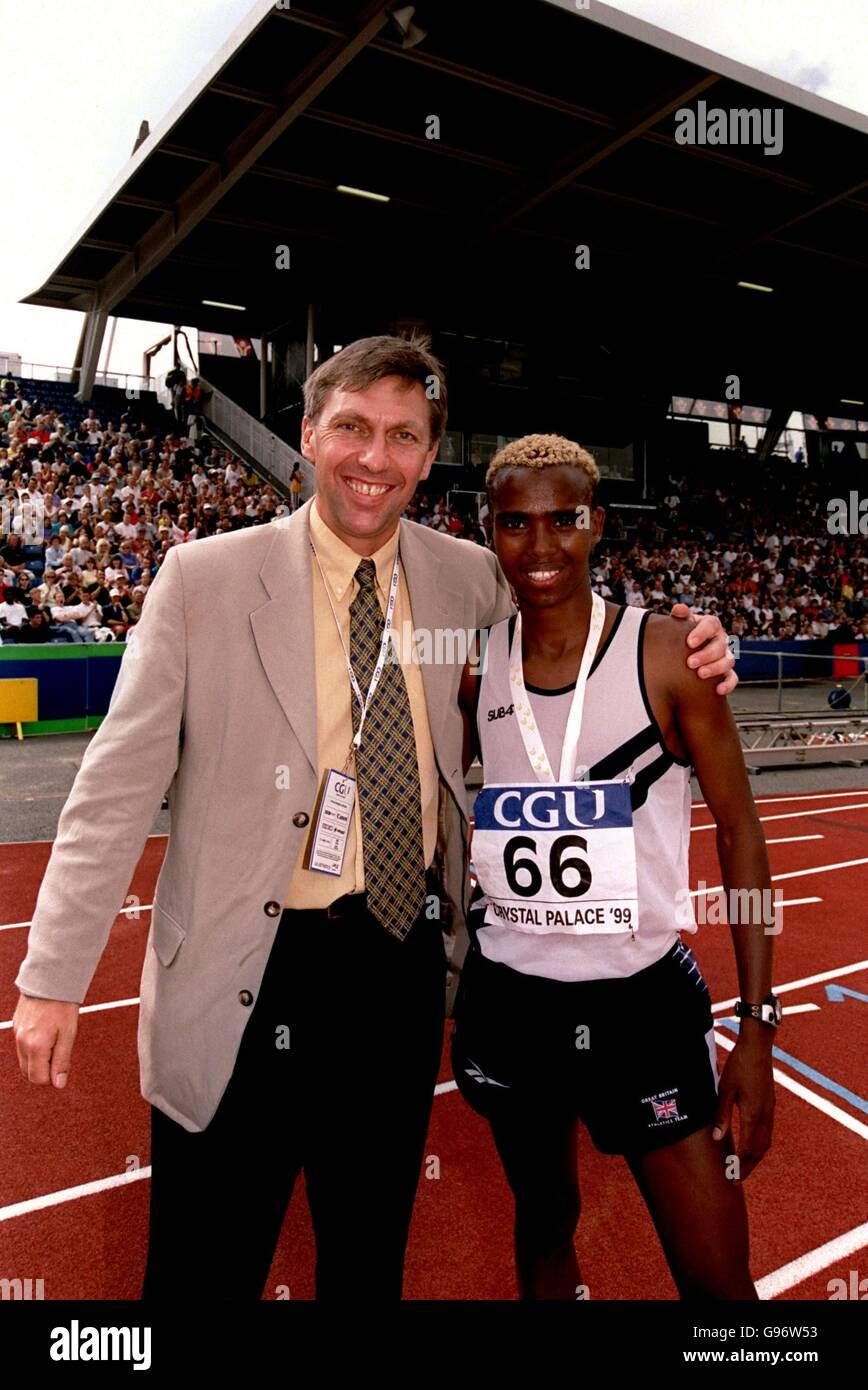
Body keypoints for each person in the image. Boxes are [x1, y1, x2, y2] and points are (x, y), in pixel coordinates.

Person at [12, 337, 736, 1303]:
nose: (373, 456)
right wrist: (53, 980)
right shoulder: (203, 580)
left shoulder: (470, 580)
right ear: (309, 434)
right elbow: (110, 792)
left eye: (402, 435)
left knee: (366, 1262)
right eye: (351, 426)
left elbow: (581, 619)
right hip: (244, 971)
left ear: (429, 457)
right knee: (199, 1267)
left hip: (394, 969)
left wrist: (695, 640)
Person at [452, 435, 776, 1301]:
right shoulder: (469, 661)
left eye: (565, 520)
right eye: (516, 524)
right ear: (491, 532)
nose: (543, 546)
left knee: (717, 1280)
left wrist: (757, 1027)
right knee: (545, 1224)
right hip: (512, 998)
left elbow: (742, 835)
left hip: (641, 1004)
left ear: (598, 524)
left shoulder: (671, 654)